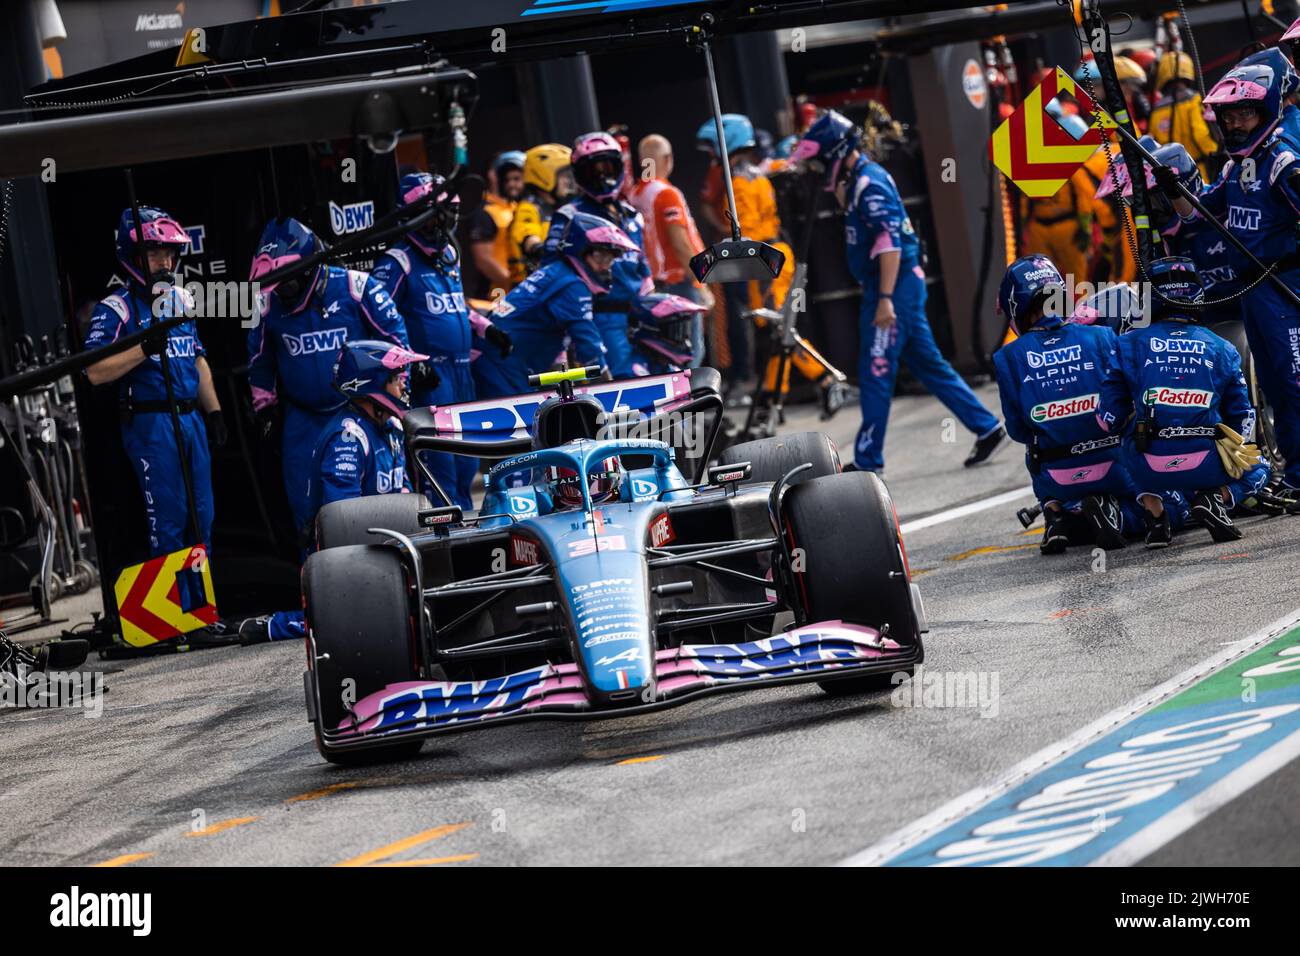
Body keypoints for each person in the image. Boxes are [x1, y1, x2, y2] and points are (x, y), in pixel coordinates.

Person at [793, 109, 1005, 473]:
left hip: (893, 288)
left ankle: (868, 459)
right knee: (929, 365)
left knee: (876, 371)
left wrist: (886, 300)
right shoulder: (859, 181)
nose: (815, 170)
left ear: (833, 154)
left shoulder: (868, 183)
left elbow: (889, 244)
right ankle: (987, 427)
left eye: (817, 163)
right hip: (895, 285)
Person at [1179, 47, 1300, 496]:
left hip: (1285, 284)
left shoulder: (1283, 162)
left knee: (1295, 383)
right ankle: (1295, 475)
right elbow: (1193, 218)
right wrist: (1169, 186)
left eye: (1244, 113)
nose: (1233, 123)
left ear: (1266, 109)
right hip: (1254, 290)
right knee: (1272, 385)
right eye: (1227, 115)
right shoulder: (1235, 165)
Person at [256, 339, 427, 643]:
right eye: (396, 379)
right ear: (372, 383)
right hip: (346, 557)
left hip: (386, 546)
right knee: (372, 622)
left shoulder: (392, 428)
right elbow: (344, 525)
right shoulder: (347, 438)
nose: (403, 387)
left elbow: (405, 495)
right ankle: (271, 626)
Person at [247, 217, 408, 535]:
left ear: (307, 268)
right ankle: (318, 577)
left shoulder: (356, 287)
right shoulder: (264, 303)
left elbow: (397, 342)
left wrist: (396, 401)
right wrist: (264, 407)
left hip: (361, 413)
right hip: (303, 420)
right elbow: (258, 360)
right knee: (309, 517)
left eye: (285, 281)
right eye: (272, 282)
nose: (279, 290)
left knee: (378, 504)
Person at [84, 206, 226, 561]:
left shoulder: (181, 299)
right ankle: (174, 617)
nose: (164, 262)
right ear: (133, 256)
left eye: (169, 253)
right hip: (152, 426)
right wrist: (143, 348)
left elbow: (197, 358)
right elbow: (94, 372)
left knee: (203, 521)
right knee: (168, 527)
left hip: (191, 420)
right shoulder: (116, 308)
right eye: (154, 253)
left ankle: (203, 613)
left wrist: (215, 412)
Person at [1097, 257, 1262, 546]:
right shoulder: (1222, 347)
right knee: (1259, 466)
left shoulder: (1127, 343)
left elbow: (1109, 414)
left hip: (1150, 465)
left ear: (1149, 298)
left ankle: (1157, 518)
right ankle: (1216, 499)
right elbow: (1243, 415)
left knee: (1122, 439)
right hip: (1206, 462)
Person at [370, 172, 510, 510]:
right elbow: (376, 320)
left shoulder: (449, 253)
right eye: (441, 211)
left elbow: (457, 305)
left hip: (463, 371)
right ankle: (448, 534)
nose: (449, 219)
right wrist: (409, 363)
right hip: (431, 377)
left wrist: (485, 328)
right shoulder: (397, 262)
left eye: (452, 211)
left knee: (468, 461)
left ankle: (471, 525)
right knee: (440, 463)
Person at [993, 256, 1131, 553]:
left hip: (1057, 477)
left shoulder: (1007, 357)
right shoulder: (1103, 335)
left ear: (1015, 306)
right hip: (1115, 467)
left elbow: (1016, 430)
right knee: (1170, 505)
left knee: (1036, 439)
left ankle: (1056, 511)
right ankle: (1114, 515)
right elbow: (1127, 401)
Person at [474, 212, 637, 398]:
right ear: (581, 251)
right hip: (501, 364)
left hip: (505, 361)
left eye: (611, 259)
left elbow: (561, 348)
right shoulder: (572, 285)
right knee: (520, 425)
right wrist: (614, 398)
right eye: (601, 256)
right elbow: (589, 348)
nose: (606, 266)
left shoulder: (558, 272)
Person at [545, 131, 653, 379]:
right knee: (623, 392)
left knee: (658, 387)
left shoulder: (631, 215)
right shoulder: (569, 215)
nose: (602, 176)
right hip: (598, 319)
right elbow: (551, 271)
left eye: (607, 168)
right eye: (593, 170)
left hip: (637, 320)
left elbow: (643, 266)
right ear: (579, 175)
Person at [697, 114, 783, 392]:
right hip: (769, 254)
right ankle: (769, 386)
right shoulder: (757, 172)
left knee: (756, 321)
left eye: (712, 145)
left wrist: (727, 234)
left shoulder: (738, 180)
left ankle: (755, 381)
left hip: (749, 259)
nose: (710, 152)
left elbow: (743, 224)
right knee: (771, 321)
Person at [628, 133, 714, 367]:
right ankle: (689, 402)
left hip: (650, 285)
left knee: (664, 354)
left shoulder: (634, 194)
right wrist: (700, 282)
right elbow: (680, 241)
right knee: (690, 352)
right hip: (679, 282)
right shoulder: (666, 194)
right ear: (667, 159)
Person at [508, 143, 574, 287]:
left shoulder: (560, 207)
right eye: (563, 176)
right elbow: (527, 234)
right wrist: (538, 247)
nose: (567, 181)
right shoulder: (529, 207)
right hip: (533, 287)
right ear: (545, 176)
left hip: (557, 281)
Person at [1149, 51, 1220, 180]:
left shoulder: (1156, 110)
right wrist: (1217, 155)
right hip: (1199, 170)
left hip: (1172, 175)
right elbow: (1200, 134)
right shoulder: (1194, 99)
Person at [465, 150, 525, 299]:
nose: (511, 181)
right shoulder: (484, 213)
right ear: (493, 174)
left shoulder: (518, 207)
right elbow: (484, 261)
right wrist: (516, 285)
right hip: (498, 295)